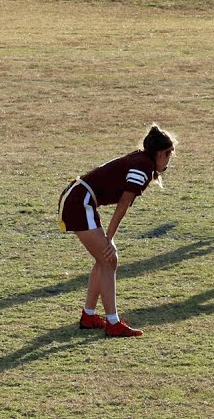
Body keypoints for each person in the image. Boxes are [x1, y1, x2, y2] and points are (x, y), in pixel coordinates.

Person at [57, 125, 176, 337]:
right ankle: (112, 322)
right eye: (169, 155)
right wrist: (109, 238)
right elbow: (123, 203)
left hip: (80, 198)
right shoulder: (143, 167)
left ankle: (89, 316)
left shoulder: (142, 161)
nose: (169, 161)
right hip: (79, 201)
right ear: (160, 153)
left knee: (104, 259)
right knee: (109, 259)